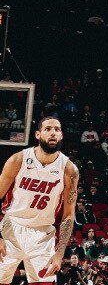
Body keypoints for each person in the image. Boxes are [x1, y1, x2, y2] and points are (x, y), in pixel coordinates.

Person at [0, 116, 80, 285]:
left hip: (43, 235)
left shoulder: (69, 170)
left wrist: (59, 254)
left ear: (62, 136)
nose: (53, 133)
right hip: (11, 228)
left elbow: (68, 215)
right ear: (37, 134)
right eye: (48, 129)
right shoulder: (18, 160)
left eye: (57, 130)